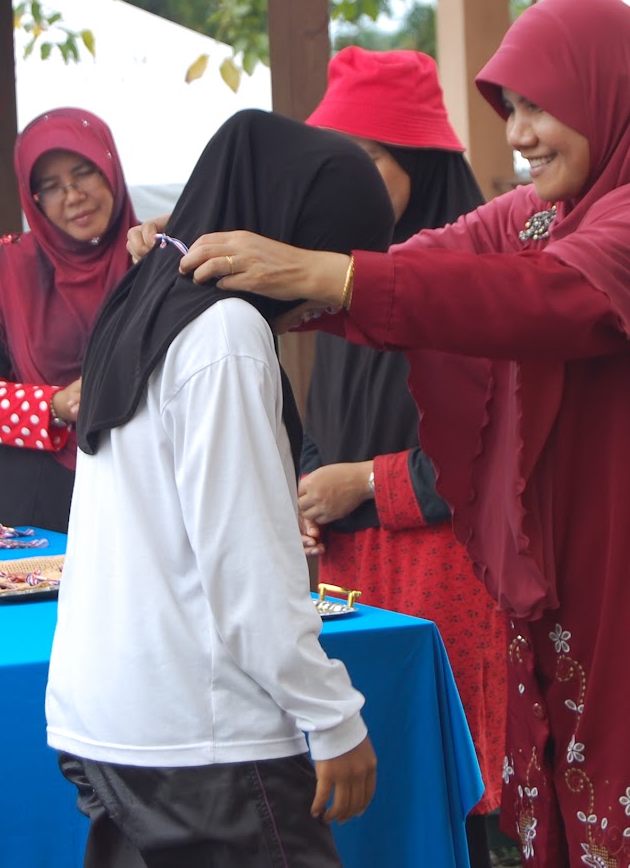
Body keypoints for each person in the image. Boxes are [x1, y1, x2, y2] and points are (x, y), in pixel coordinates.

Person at [177, 0, 630, 867]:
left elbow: (544, 299)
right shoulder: (538, 215)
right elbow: (426, 264)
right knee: (567, 809)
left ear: (611, 90)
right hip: (557, 563)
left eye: (542, 105)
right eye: (513, 111)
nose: (522, 135)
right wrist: (224, 267)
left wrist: (328, 275)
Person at [47, 110, 389, 867]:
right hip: (205, 739)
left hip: (107, 718)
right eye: (334, 259)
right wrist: (331, 716)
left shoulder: (142, 303)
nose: (331, 299)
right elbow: (245, 568)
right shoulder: (226, 334)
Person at [302, 48, 509, 866]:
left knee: (458, 778)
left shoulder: (476, 270)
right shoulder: (345, 263)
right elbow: (321, 405)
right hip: (350, 564)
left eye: (367, 162)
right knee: (362, 774)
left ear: (418, 164)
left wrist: (362, 480)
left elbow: (494, 450)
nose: (345, 183)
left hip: (447, 567)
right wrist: (306, 486)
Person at [0, 108, 139, 533]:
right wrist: (55, 405)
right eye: (50, 187)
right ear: (32, 199)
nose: (72, 196)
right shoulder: (11, 272)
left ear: (109, 166)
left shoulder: (159, 261)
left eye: (83, 173)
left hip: (146, 494)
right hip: (35, 507)